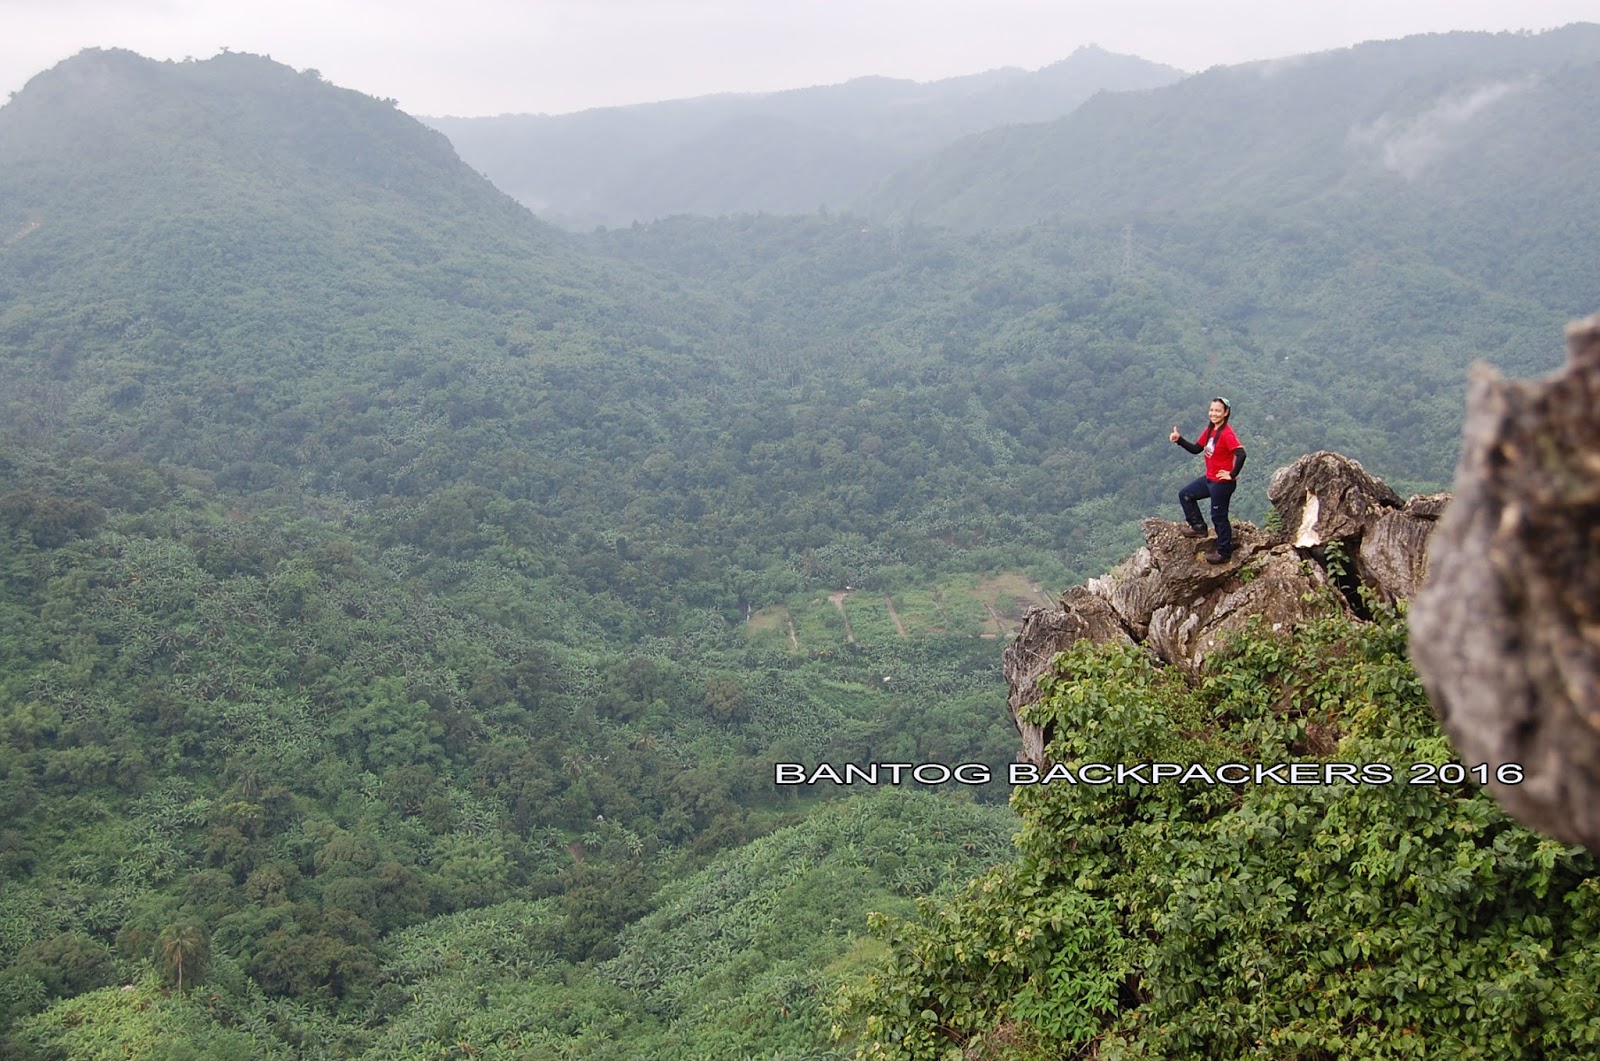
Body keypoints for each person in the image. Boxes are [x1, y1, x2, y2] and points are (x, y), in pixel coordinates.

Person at [1170, 397, 1246, 564]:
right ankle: (1199, 528)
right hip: (1210, 479)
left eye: (1218, 411)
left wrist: (1232, 474)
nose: (1213, 413)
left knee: (1218, 516)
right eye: (1211, 410)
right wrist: (1179, 440)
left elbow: (1241, 453)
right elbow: (1197, 449)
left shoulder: (1226, 433)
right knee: (1186, 495)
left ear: (1225, 413)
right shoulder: (1211, 430)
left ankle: (1224, 552)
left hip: (1222, 484)